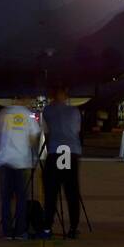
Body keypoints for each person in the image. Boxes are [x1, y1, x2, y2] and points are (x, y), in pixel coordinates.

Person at [0, 100, 40, 239]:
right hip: (20, 161)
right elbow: (33, 138)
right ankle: (20, 231)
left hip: (5, 160)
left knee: (6, 199)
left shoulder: (4, 113)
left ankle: (7, 231)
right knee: (21, 199)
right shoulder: (28, 115)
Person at [41, 89, 83, 239]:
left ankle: (47, 227)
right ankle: (73, 227)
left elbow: (46, 130)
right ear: (66, 96)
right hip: (70, 152)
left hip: (56, 151)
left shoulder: (48, 110)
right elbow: (77, 130)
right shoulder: (74, 111)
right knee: (71, 191)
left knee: (51, 192)